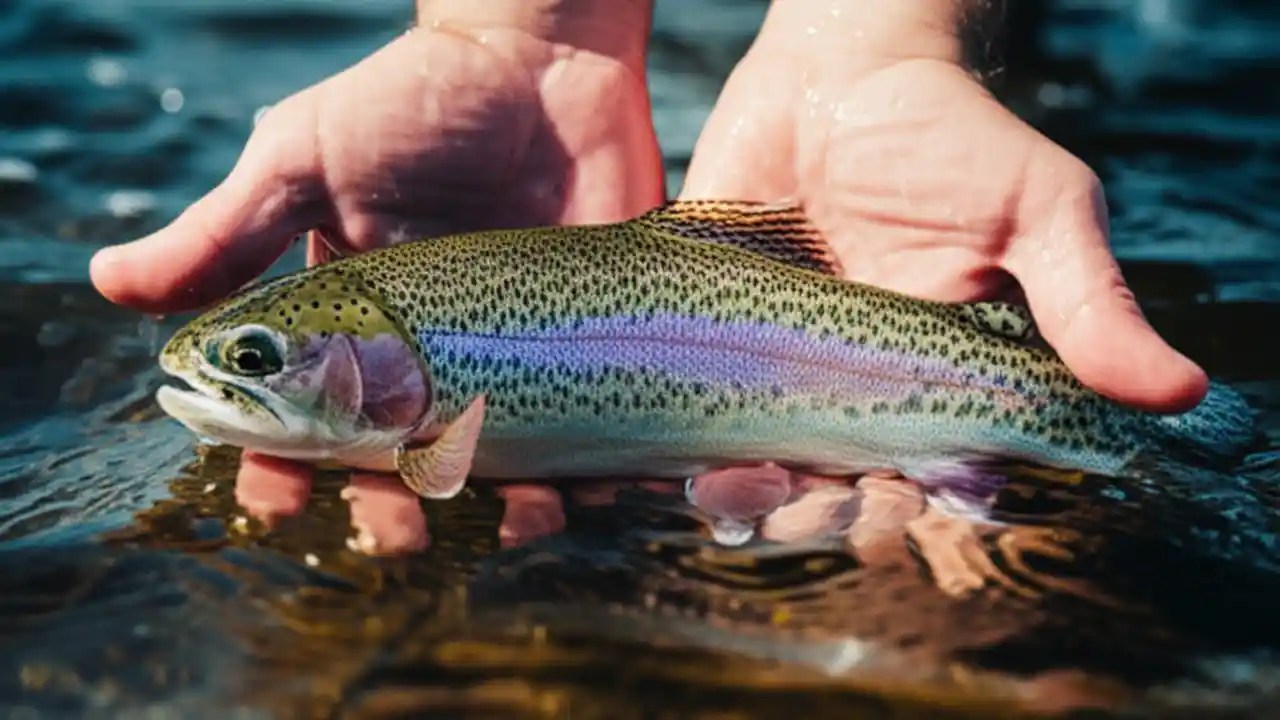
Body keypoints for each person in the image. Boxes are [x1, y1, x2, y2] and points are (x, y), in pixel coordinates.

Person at [87, 0, 1211, 553]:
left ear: (373, 367)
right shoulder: (404, 370)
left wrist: (885, 38)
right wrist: (513, 30)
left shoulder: (422, 429)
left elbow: (443, 474)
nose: (228, 375)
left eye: (254, 360)